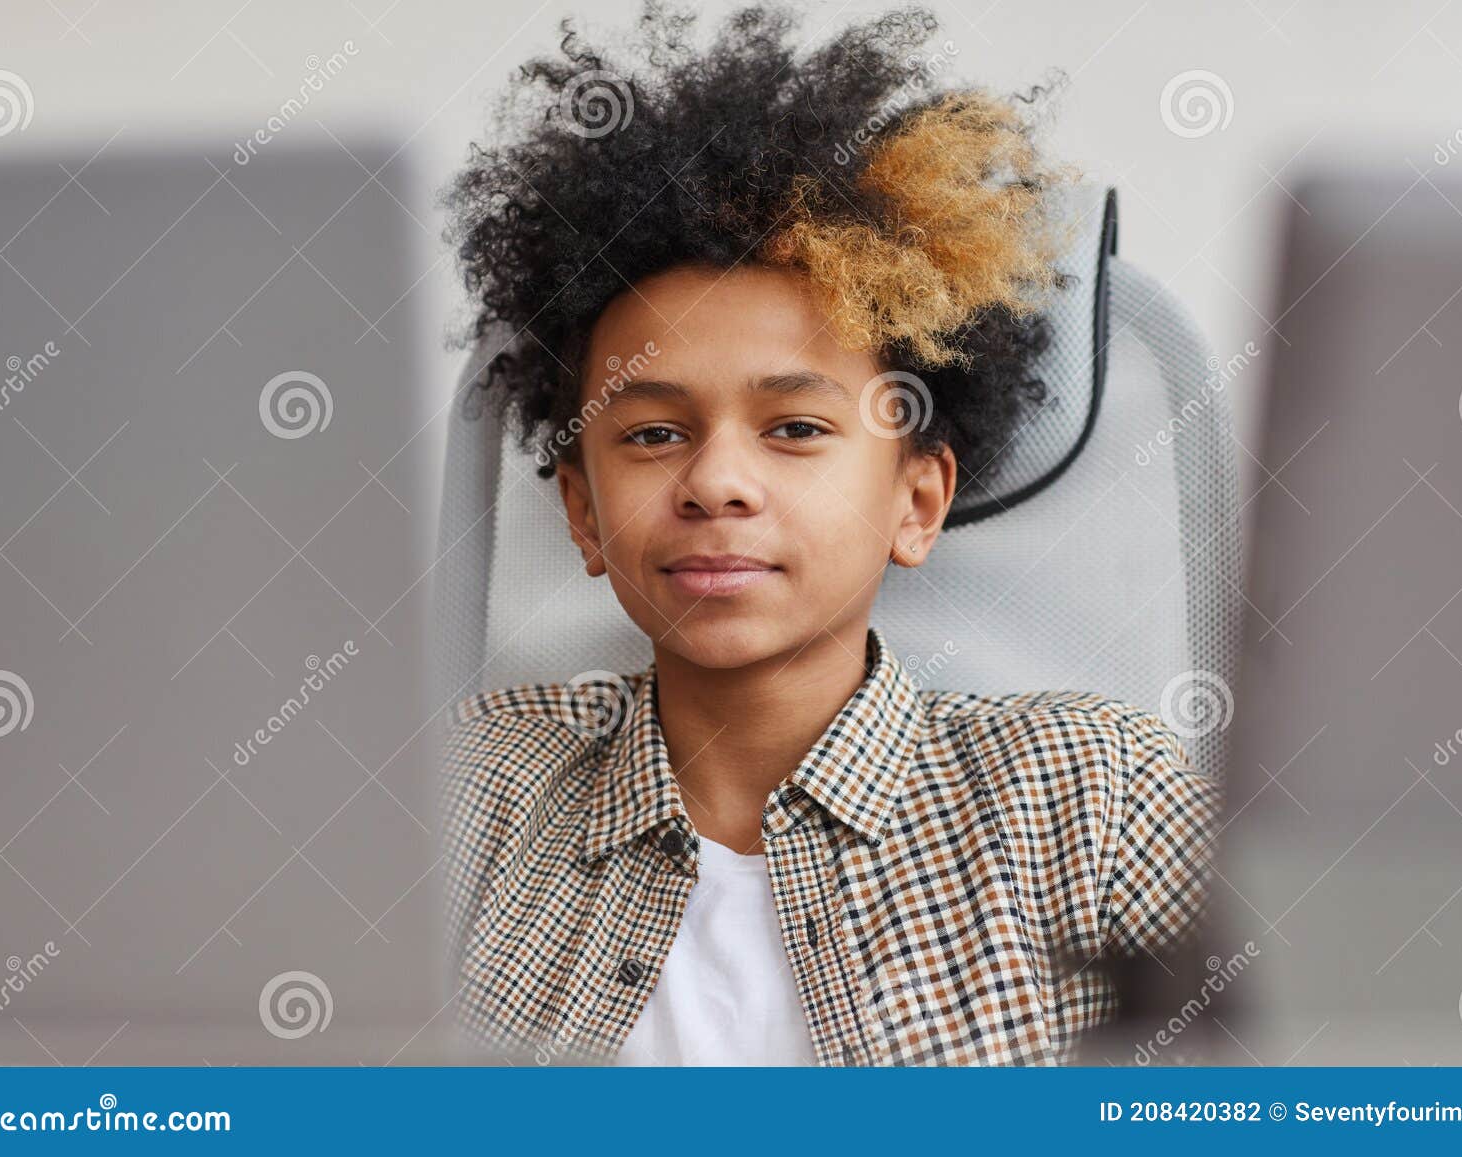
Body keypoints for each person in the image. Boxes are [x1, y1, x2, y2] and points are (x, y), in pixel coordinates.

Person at [437, 0, 1220, 1066]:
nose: (716, 481)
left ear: (917, 501)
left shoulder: (1092, 796)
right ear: (582, 511)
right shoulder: (462, 791)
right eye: (655, 431)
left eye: (796, 427)